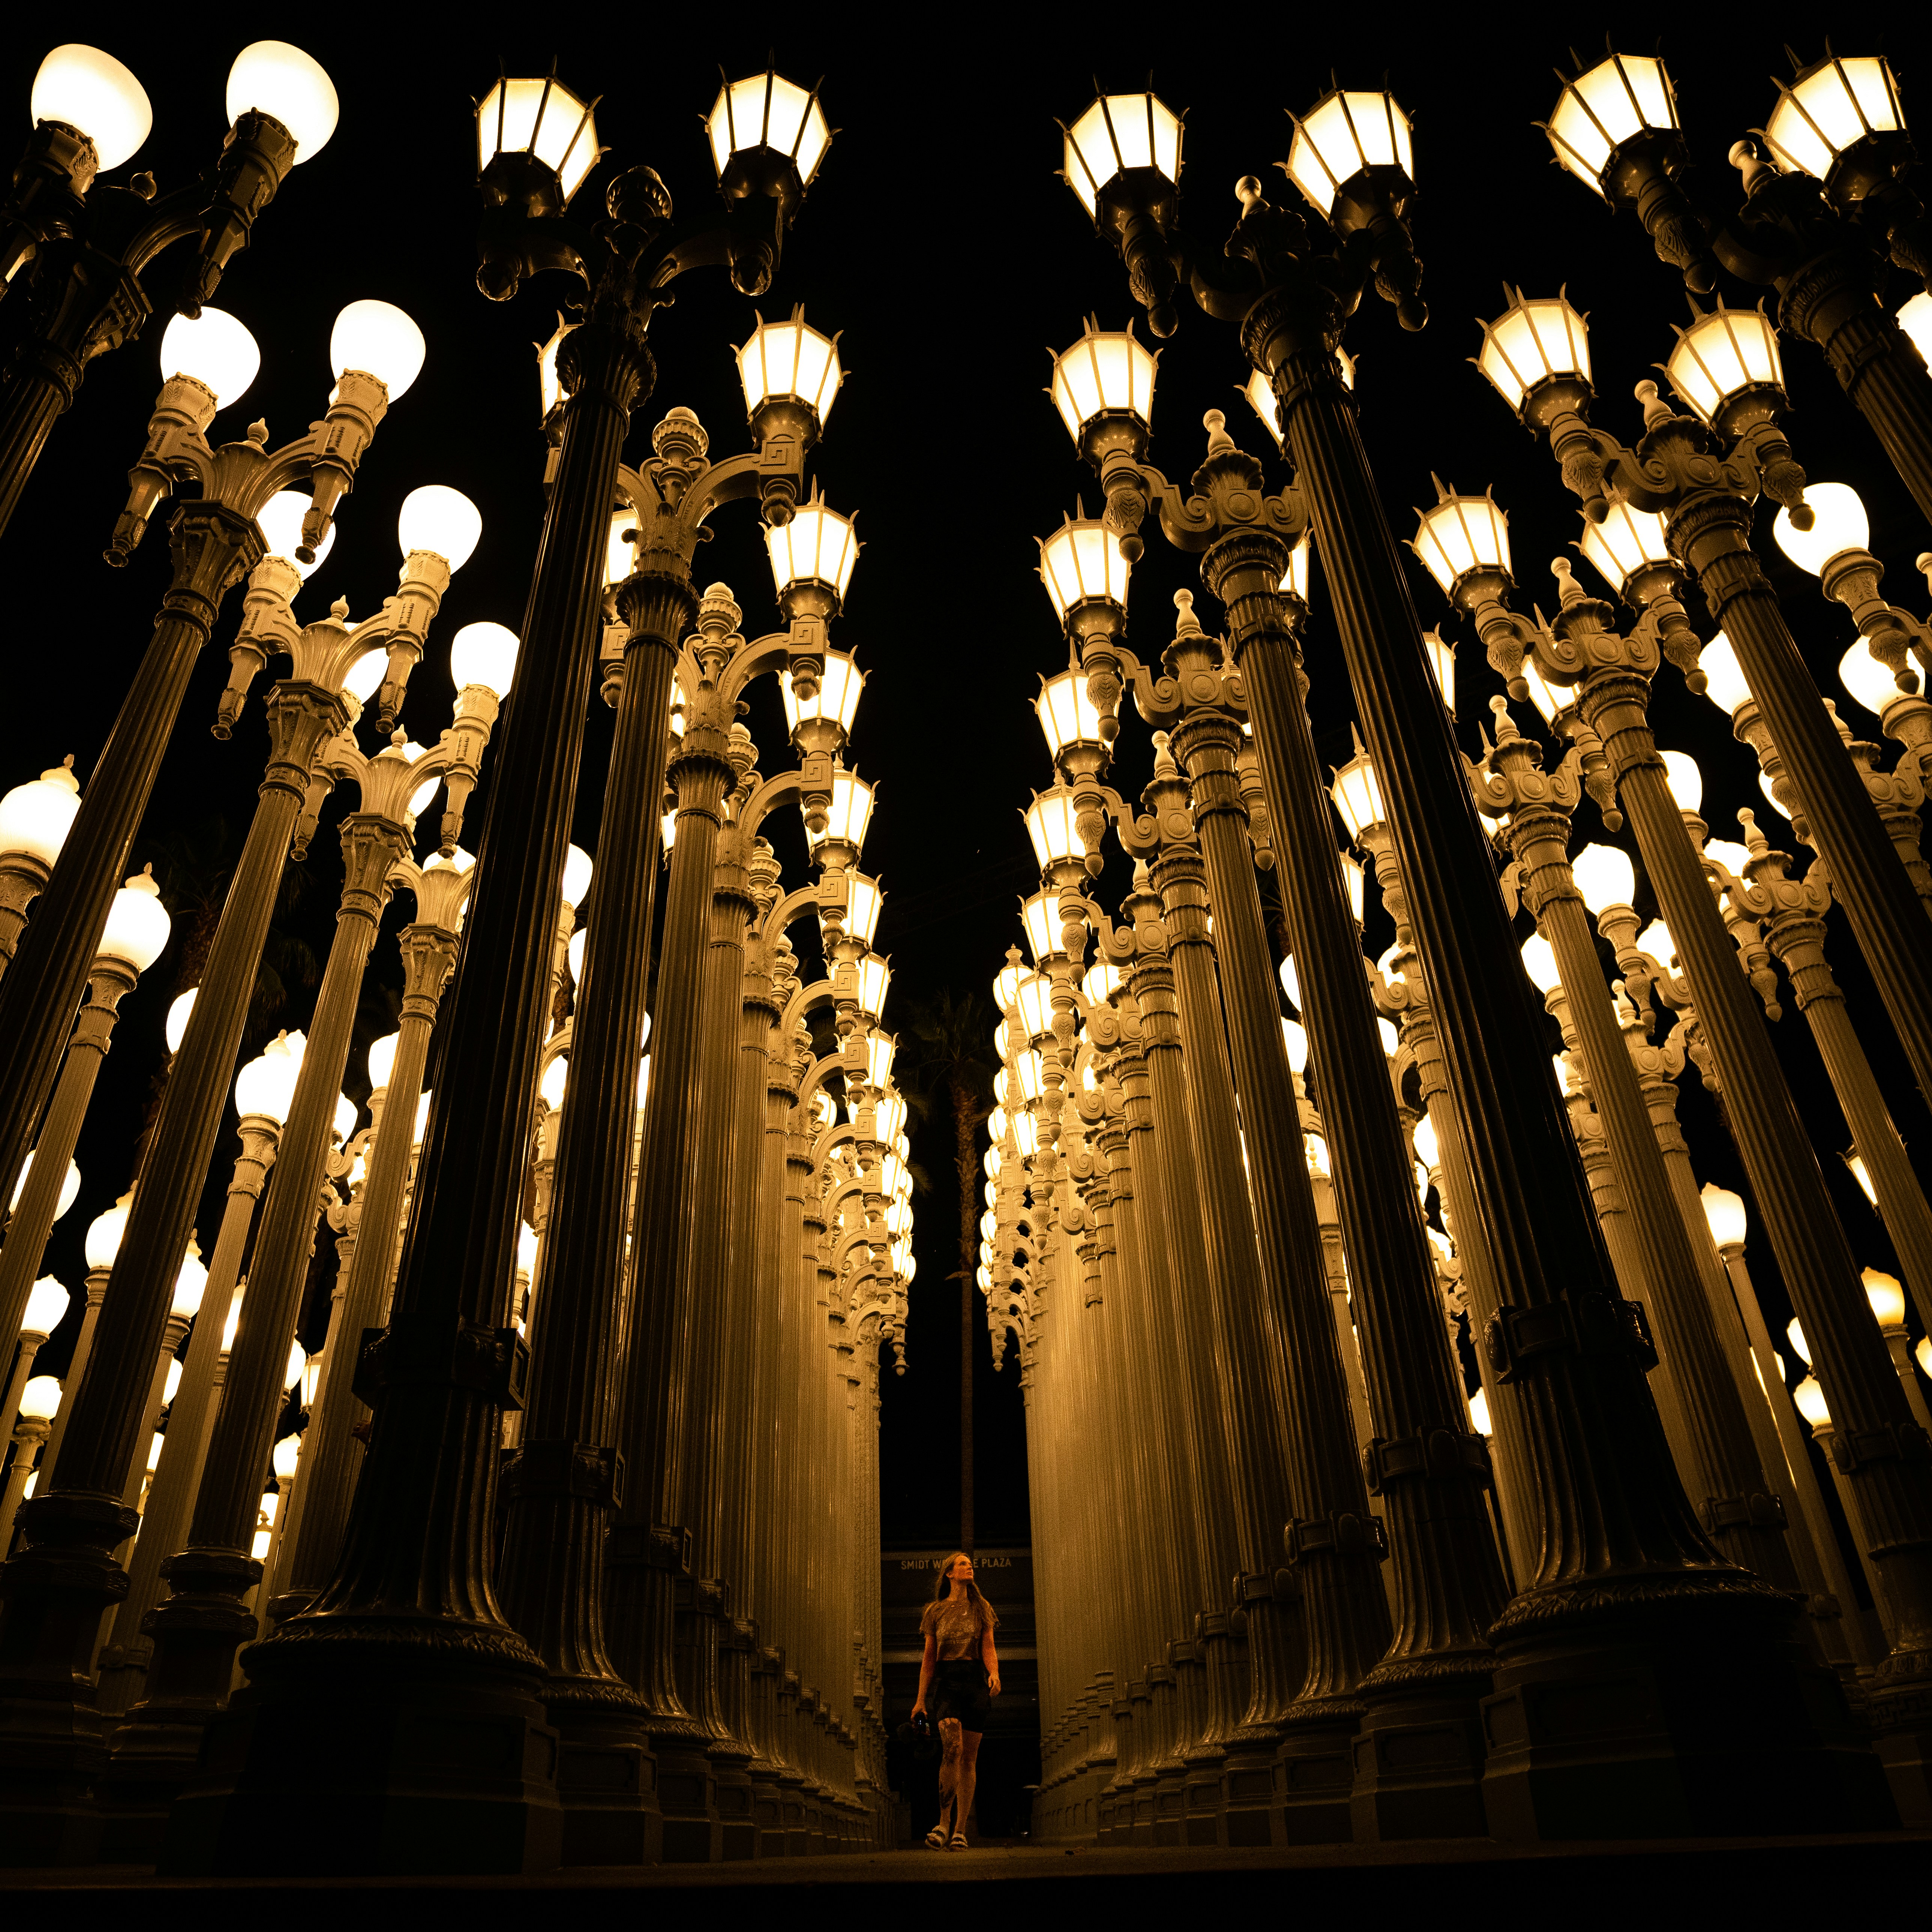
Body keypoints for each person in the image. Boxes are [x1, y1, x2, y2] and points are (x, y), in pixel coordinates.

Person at [911, 1550, 1000, 1849]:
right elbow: (928, 1658)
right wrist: (920, 1700)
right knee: (952, 1748)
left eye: (970, 1564)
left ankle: (960, 1830)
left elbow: (988, 1645)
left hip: (975, 1680)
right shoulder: (935, 1611)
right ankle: (943, 1823)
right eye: (962, 1564)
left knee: (969, 1758)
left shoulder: (981, 1607)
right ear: (949, 1573)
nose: (969, 1567)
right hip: (946, 1681)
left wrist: (994, 1673)